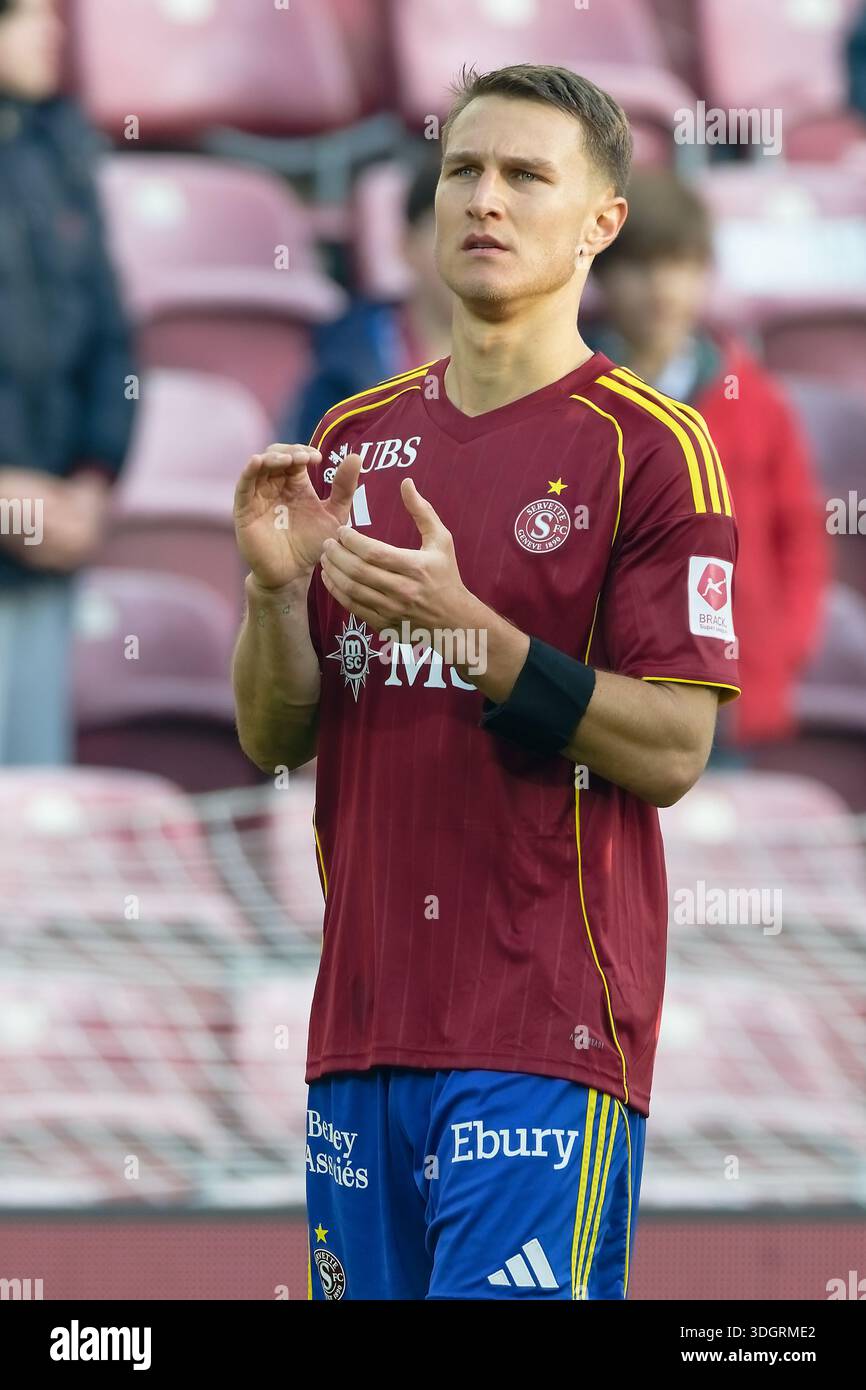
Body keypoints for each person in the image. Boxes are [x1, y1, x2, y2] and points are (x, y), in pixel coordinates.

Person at [232, 64, 740, 1301]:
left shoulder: (653, 447)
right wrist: (264, 595)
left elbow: (673, 748)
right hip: (358, 1031)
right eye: (463, 170)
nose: (485, 200)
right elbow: (273, 732)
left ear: (598, 224)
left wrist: (482, 640)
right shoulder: (349, 439)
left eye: (525, 176)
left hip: (542, 1033)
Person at [590, 169, 828, 752]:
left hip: (727, 691)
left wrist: (779, 645)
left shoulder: (756, 398)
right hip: (602, 689)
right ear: (602, 277)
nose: (662, 287)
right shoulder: (571, 395)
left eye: (681, 265)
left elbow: (800, 534)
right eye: (640, 266)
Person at [0, 0, 137, 763]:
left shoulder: (58, 151)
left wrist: (92, 479)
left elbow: (112, 335)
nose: (54, 31)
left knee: (25, 825)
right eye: (27, 15)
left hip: (47, 549)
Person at [285, 156, 451, 447]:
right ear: (405, 246)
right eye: (450, 229)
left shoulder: (548, 367)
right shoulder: (339, 369)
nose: (473, 252)